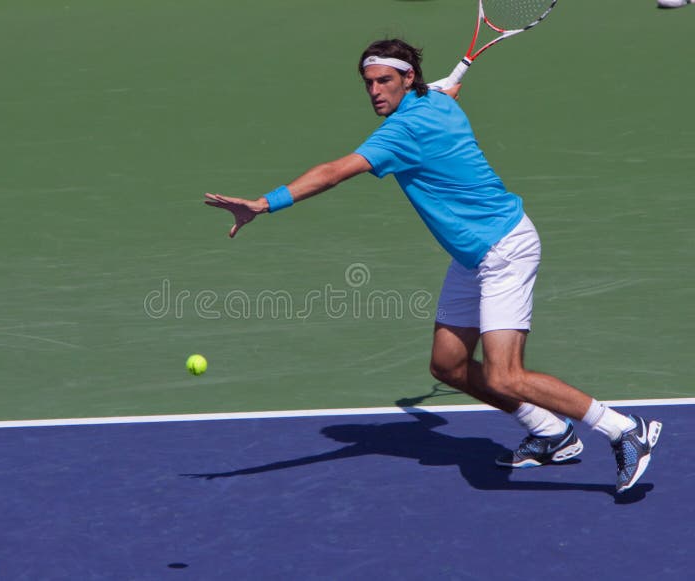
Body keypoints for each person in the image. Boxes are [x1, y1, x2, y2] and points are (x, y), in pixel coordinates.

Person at [204, 38, 662, 494]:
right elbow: (444, 92)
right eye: (368, 83)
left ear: (407, 79)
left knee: (506, 375)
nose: (375, 91)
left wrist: (265, 203)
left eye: (385, 81)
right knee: (449, 366)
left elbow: (334, 171)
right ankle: (551, 433)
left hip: (504, 248)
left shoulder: (402, 133)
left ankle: (624, 430)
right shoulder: (436, 101)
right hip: (471, 254)